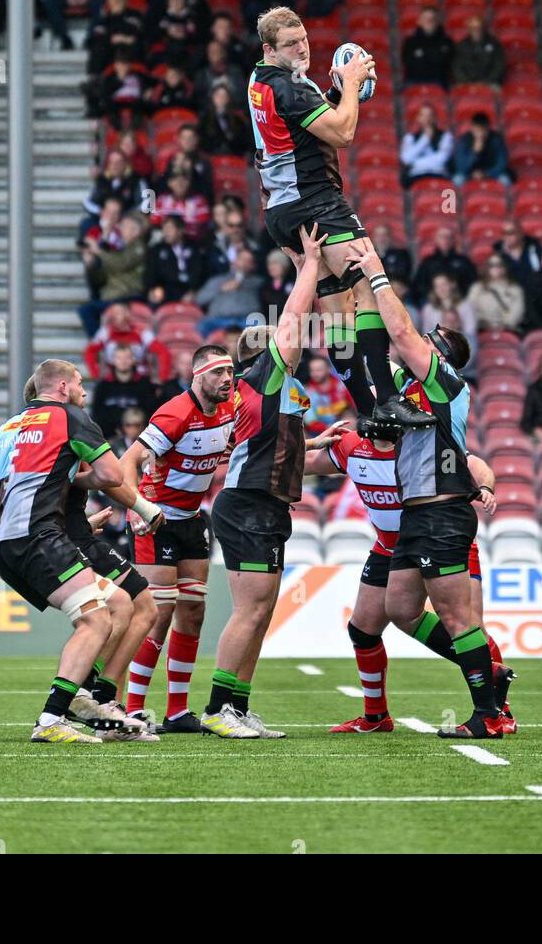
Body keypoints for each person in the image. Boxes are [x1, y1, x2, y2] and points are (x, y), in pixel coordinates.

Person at [250, 6, 432, 438]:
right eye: (291, 44)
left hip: (281, 209)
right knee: (369, 285)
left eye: (304, 39)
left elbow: (303, 128)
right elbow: (343, 134)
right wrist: (350, 86)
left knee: (335, 312)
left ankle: (368, 411)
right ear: (269, 49)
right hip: (317, 202)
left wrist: (331, 97)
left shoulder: (259, 79)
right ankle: (387, 400)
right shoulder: (290, 87)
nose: (303, 48)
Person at [0, 358, 164, 743]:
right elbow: (112, 476)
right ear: (64, 388)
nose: (84, 391)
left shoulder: (5, 429)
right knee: (97, 619)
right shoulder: (70, 418)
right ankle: (56, 715)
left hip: (8, 547)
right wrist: (73, 475)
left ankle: (96, 705)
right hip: (42, 538)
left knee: (120, 604)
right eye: (80, 383)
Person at [349, 244, 505, 739]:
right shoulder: (414, 393)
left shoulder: (448, 384)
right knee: (400, 609)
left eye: (430, 341)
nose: (420, 343)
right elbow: (364, 358)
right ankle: (486, 670)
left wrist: (375, 273)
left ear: (441, 357)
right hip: (415, 516)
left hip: (442, 514)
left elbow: (398, 332)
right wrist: (341, 291)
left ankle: (488, 712)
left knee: (458, 617)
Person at [203, 225, 338, 738]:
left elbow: (288, 458)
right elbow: (295, 323)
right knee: (251, 609)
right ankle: (219, 708)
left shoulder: (278, 394)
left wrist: (330, 449)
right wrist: (308, 266)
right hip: (249, 505)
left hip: (266, 503)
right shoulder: (263, 377)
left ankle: (237, 706)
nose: (294, 352)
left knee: (261, 612)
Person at [305, 434, 514, 733]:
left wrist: (485, 488)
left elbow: (474, 463)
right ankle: (376, 718)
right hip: (390, 547)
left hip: (441, 538)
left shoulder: (421, 440)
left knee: (469, 627)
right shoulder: (350, 446)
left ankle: (500, 711)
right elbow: (300, 465)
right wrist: (305, 442)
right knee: (363, 629)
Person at [118, 345, 237, 732]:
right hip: (158, 519)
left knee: (193, 611)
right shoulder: (175, 412)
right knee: (158, 613)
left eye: (230, 372)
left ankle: (177, 712)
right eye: (218, 373)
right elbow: (128, 461)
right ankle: (133, 709)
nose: (226, 380)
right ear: (197, 375)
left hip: (191, 519)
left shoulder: (229, 409)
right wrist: (137, 508)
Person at [89, 344, 160, 441]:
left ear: (133, 359)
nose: (123, 361)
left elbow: (152, 413)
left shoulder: (145, 384)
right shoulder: (103, 386)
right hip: (109, 439)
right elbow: (96, 415)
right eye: (119, 358)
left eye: (127, 357)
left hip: (140, 439)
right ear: (113, 360)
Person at [194, 248, 264, 337]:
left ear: (253, 266)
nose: (244, 264)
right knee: (201, 326)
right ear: (234, 261)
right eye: (241, 259)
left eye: (248, 261)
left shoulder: (257, 282)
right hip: (218, 319)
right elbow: (199, 300)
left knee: (262, 327)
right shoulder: (217, 280)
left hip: (245, 320)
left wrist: (244, 283)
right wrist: (221, 289)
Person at [144, 214, 207, 307]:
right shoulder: (156, 251)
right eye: (164, 229)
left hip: (192, 294)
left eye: (169, 229)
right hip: (166, 295)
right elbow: (150, 275)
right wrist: (152, 290)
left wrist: (195, 291)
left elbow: (202, 274)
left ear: (181, 230)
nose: (166, 233)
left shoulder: (197, 249)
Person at [411, 225, 477, 301]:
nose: (445, 239)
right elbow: (419, 285)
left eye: (448, 237)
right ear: (436, 239)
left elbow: (473, 284)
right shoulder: (427, 262)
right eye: (442, 236)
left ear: (453, 240)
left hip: (459, 302)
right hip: (433, 303)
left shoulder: (464, 261)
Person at [469, 253, 526, 333]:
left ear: (505, 267)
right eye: (491, 265)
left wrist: (502, 325)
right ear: (487, 267)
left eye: (499, 265)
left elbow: (516, 314)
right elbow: (470, 310)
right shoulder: (477, 288)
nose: (495, 268)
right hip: (481, 328)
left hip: (508, 329)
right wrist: (483, 323)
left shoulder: (515, 289)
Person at [452, 111, 511, 185]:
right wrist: (474, 153)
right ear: (472, 129)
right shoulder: (464, 140)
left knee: (505, 180)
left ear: (488, 128)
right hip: (469, 173)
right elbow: (461, 166)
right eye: (477, 130)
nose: (480, 134)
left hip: (491, 173)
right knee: (457, 180)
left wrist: (485, 174)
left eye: (483, 130)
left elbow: (501, 164)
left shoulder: (497, 139)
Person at [402, 6, 453, 87]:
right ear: (419, 21)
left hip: (440, 83)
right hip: (415, 83)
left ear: (438, 21)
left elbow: (448, 63)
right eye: (426, 19)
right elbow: (409, 64)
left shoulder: (447, 42)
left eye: (432, 19)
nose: (430, 21)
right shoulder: (410, 42)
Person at [451, 15, 507, 86]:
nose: (476, 30)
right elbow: (456, 67)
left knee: (496, 92)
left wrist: (486, 82)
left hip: (489, 83)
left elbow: (499, 66)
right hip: (465, 83)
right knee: (456, 93)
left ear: (483, 28)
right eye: (473, 28)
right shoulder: (462, 45)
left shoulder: (494, 44)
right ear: (469, 29)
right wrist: (466, 82)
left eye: (479, 28)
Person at [493, 218, 542, 292]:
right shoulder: (498, 253)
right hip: (508, 294)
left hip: (533, 293)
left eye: (511, 233)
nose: (507, 236)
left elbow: (537, 270)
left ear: (521, 233)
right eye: (504, 233)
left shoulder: (533, 250)